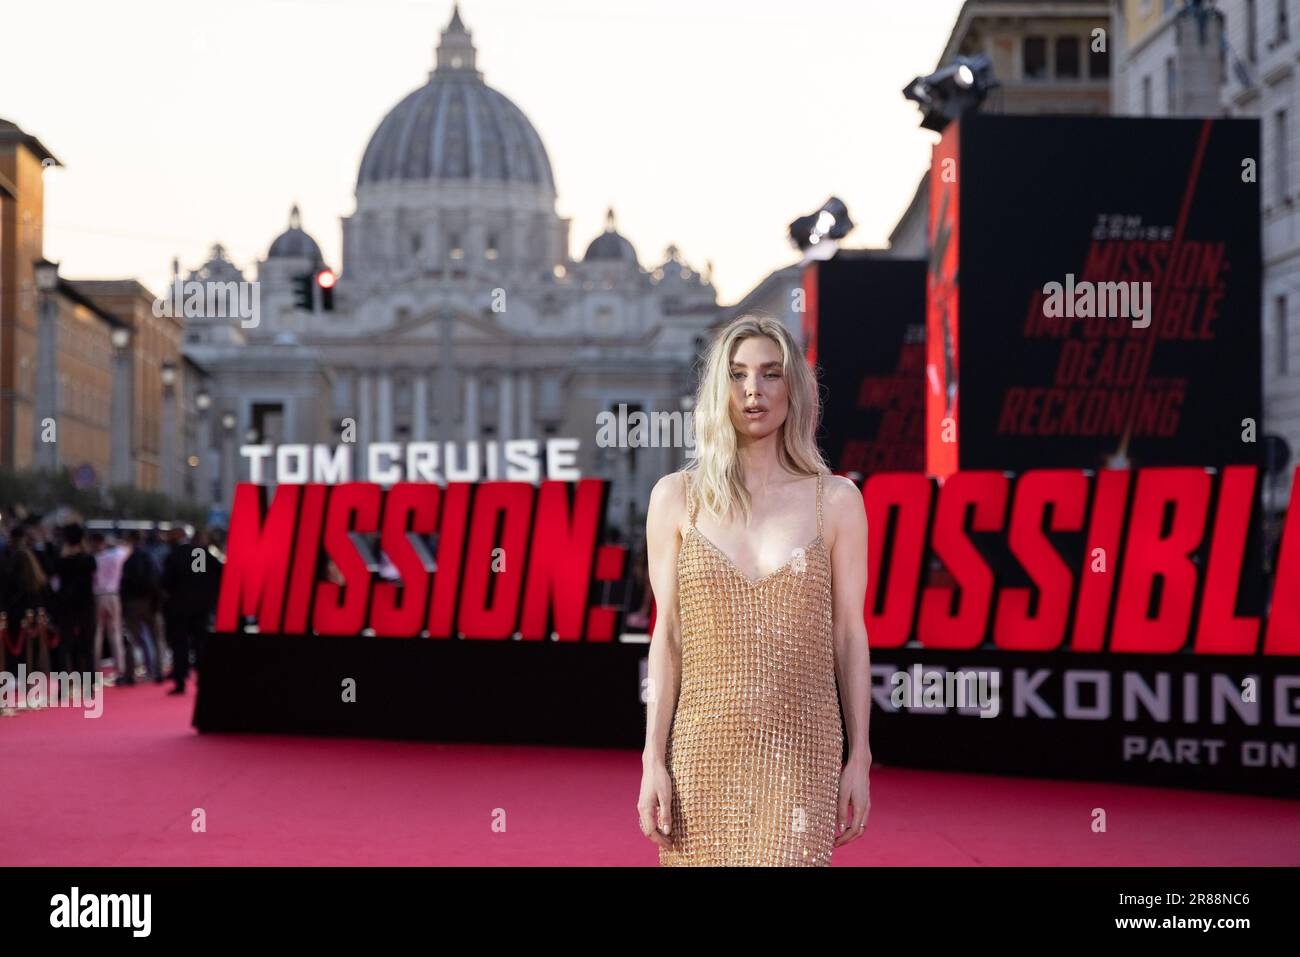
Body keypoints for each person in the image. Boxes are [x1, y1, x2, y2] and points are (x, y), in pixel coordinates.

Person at [638, 314, 873, 866]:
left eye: (770, 374)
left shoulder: (836, 500)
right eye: (738, 375)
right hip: (700, 751)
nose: (753, 391)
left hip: (803, 749)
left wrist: (859, 756)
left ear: (794, 387)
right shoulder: (675, 498)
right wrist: (653, 759)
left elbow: (848, 635)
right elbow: (667, 638)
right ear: (719, 389)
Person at [161, 528, 221, 694]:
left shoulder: (175, 555)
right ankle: (202, 681)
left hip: (179, 609)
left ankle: (180, 681)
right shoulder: (199, 553)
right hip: (200, 608)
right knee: (200, 645)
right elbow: (213, 574)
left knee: (180, 645)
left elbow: (166, 583)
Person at [51, 524, 98, 675]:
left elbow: (55, 583)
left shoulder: (61, 561)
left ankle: (64, 685)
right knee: (87, 646)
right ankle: (88, 683)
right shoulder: (89, 560)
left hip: (66, 606)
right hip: (86, 606)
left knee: (65, 647)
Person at [120, 530, 163, 683]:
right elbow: (158, 579)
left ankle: (130, 674)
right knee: (156, 637)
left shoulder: (129, 560)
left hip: (133, 602)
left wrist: (124, 603)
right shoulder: (152, 557)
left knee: (131, 638)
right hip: (150, 601)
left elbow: (124, 582)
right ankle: (158, 671)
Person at [90, 531, 130, 684]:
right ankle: (121, 669)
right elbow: (126, 549)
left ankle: (95, 669)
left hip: (98, 595)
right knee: (115, 633)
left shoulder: (94, 558)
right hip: (113, 595)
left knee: (98, 634)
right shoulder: (115, 556)